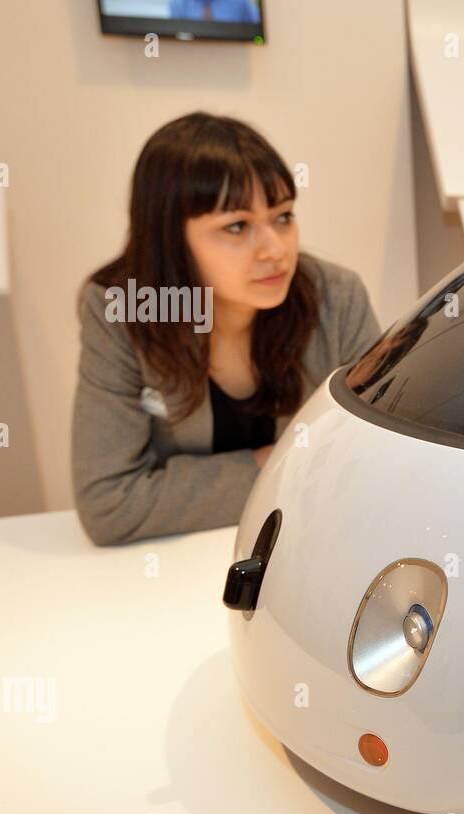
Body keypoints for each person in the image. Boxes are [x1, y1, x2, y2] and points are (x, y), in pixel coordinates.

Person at [72, 112, 382, 545]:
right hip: (164, 570)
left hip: (302, 550)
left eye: (283, 217)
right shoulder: (124, 312)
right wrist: (273, 464)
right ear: (170, 237)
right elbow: (109, 502)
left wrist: (177, 485)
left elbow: (373, 464)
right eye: (237, 226)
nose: (276, 250)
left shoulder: (336, 297)